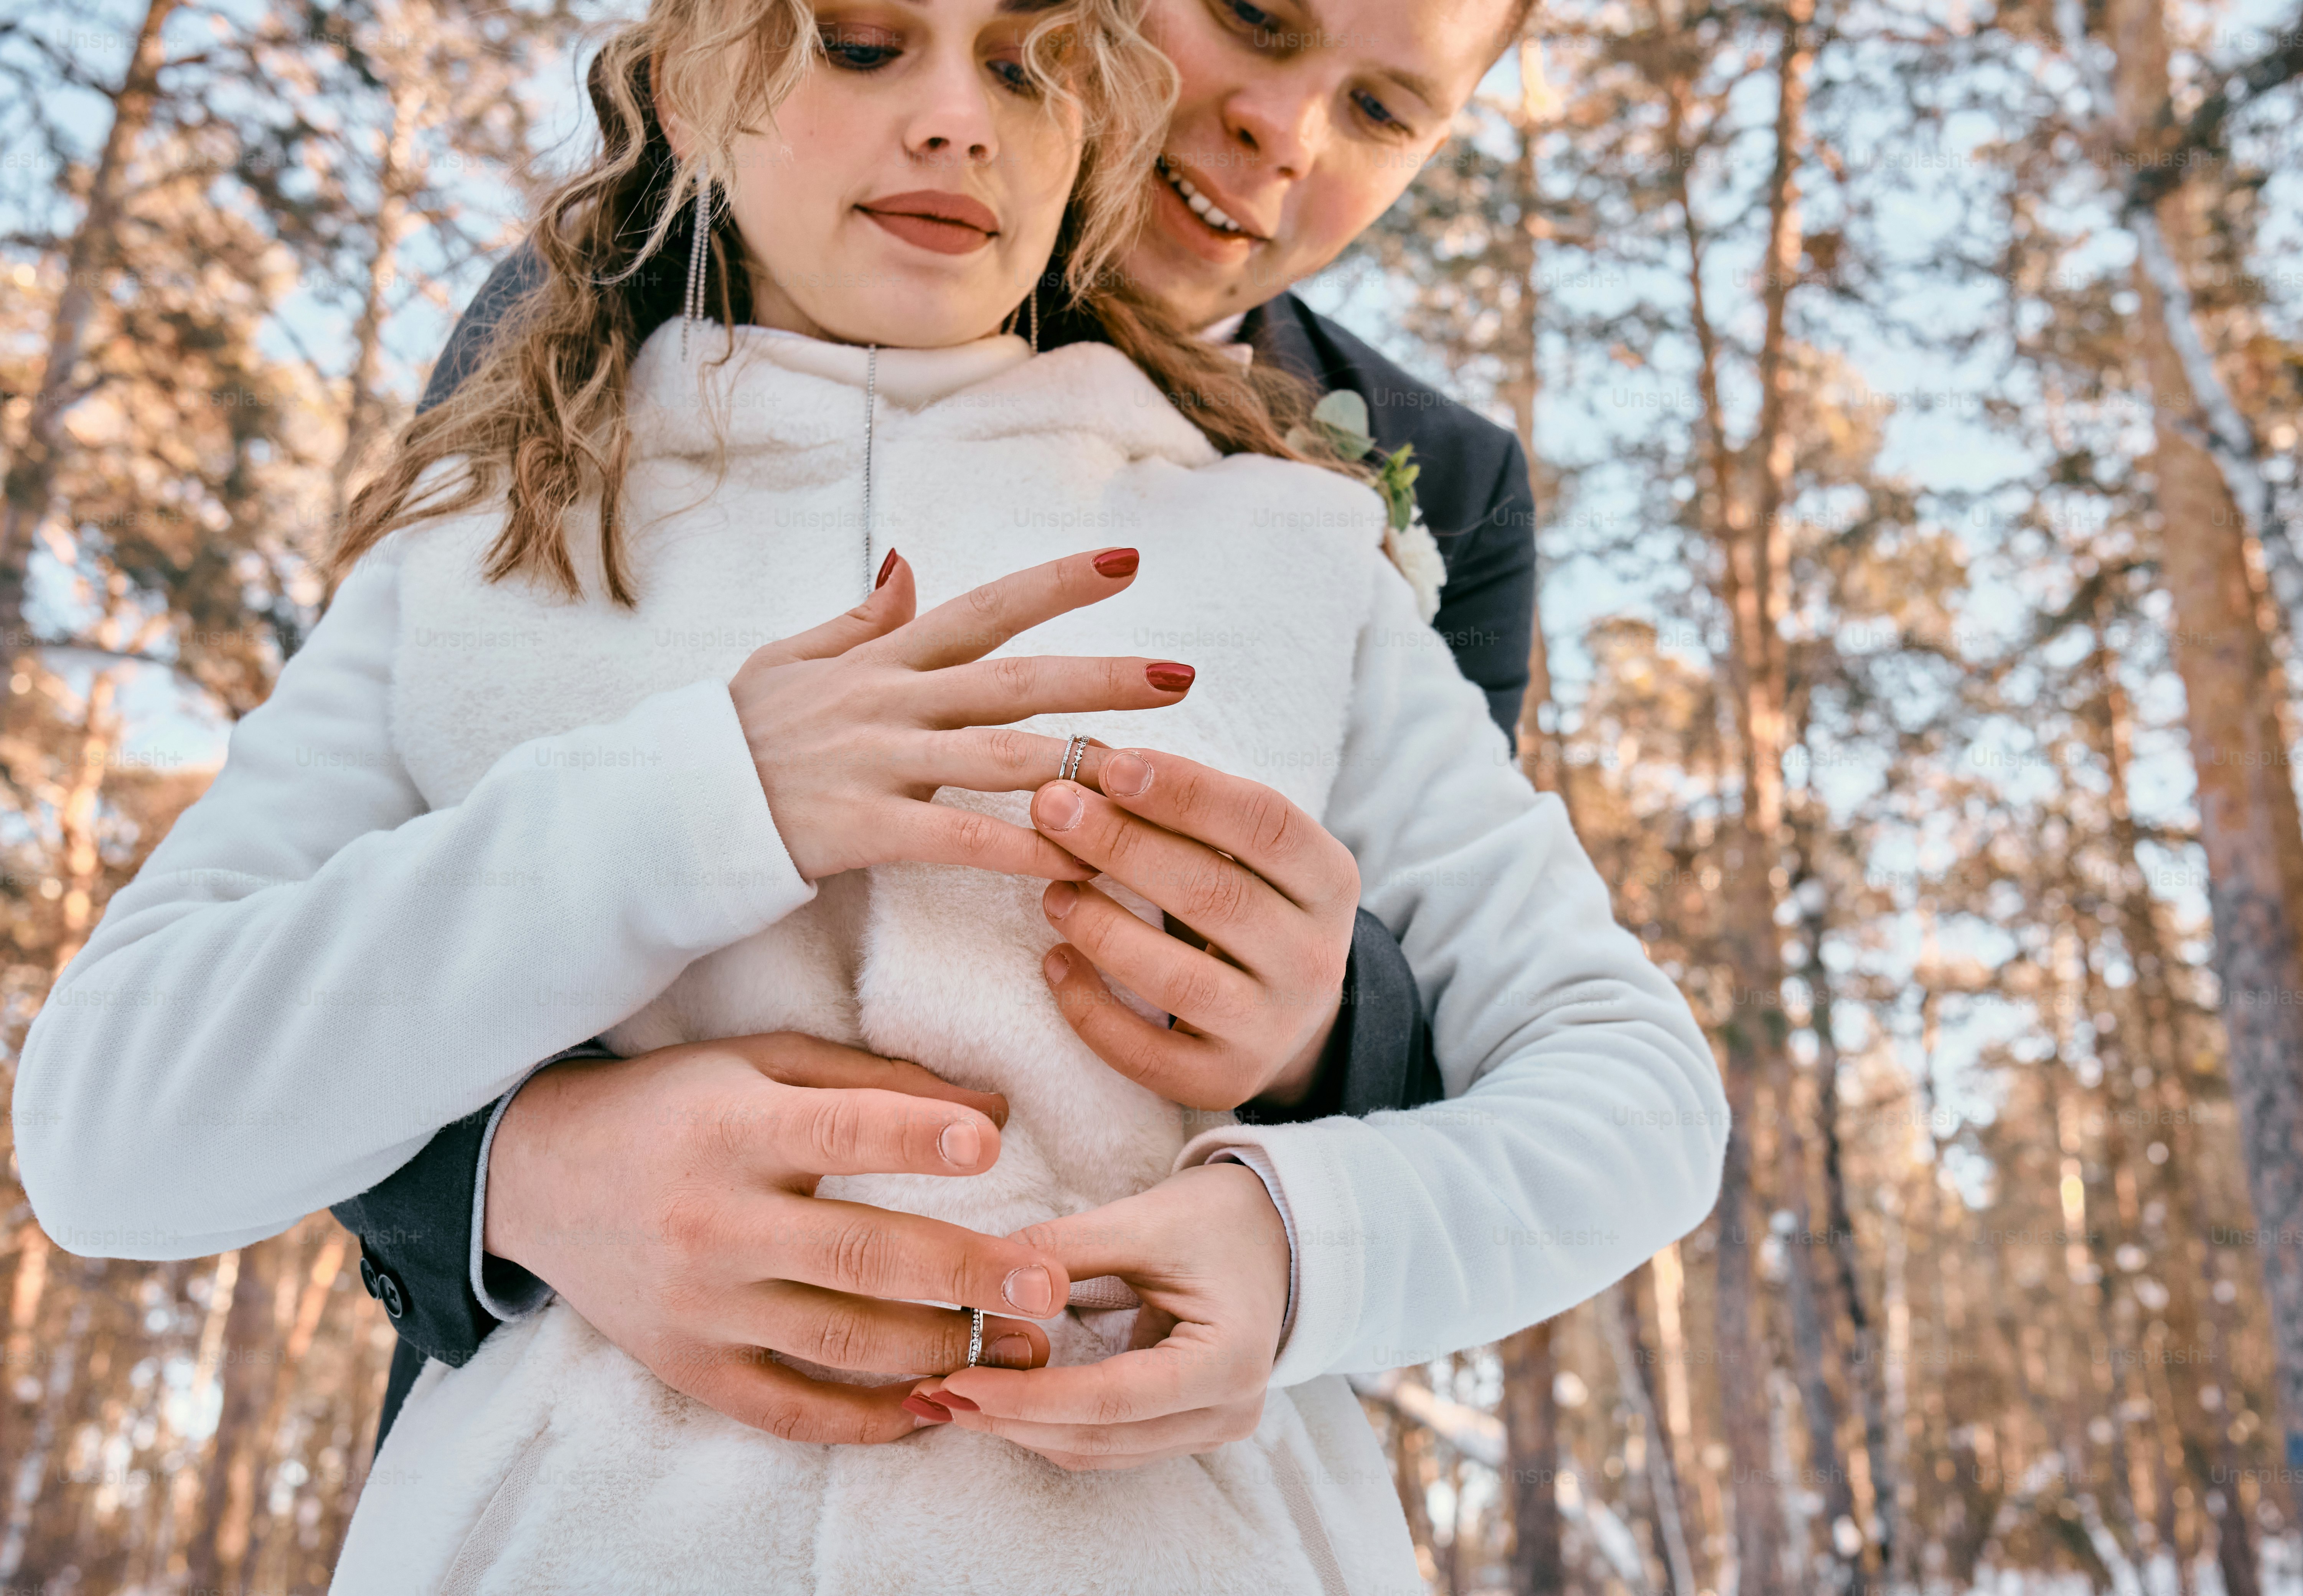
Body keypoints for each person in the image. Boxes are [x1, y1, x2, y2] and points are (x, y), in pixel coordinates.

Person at [14, 0, 1725, 1583]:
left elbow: (1609, 1071)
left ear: (1090, 119)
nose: (954, 122)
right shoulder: (501, 522)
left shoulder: (1307, 547)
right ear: (696, 78)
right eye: (859, 41)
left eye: (1024, 68)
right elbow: (114, 1118)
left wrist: (1310, 1230)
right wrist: (691, 816)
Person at [336, 0, 1548, 1459]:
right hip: (591, 1429)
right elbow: (365, 873)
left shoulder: (1443, 484)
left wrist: (1316, 1041)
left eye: (1382, 114)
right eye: (1256, 21)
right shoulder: (641, 277)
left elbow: (1477, 1000)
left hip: (1116, 1447)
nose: (1281, 135)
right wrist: (514, 1177)